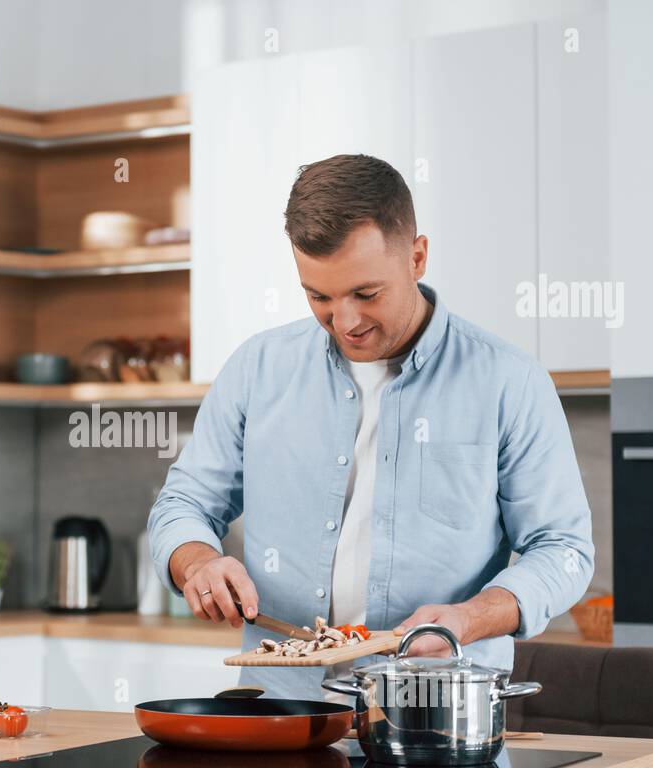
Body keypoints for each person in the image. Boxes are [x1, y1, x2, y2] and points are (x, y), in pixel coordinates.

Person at [148, 154, 593, 700]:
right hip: (280, 712)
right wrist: (198, 561)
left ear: (417, 256)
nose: (346, 322)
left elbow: (564, 548)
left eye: (366, 293)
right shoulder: (257, 369)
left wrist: (469, 619)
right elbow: (183, 503)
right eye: (319, 297)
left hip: (435, 716)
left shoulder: (509, 381)